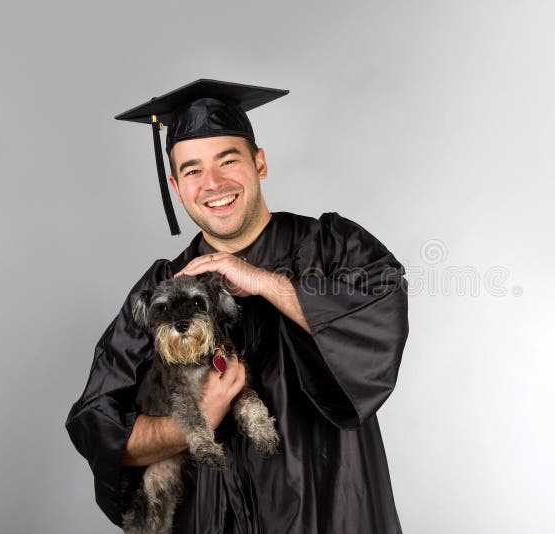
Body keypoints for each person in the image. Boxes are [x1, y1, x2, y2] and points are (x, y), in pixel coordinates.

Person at [66, 80, 409, 533]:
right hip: (210, 519)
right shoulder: (164, 292)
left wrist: (266, 283)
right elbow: (101, 428)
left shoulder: (330, 246)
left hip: (327, 508)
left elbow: (379, 320)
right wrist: (195, 420)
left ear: (259, 162)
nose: (213, 184)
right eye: (192, 170)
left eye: (228, 160)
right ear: (175, 184)